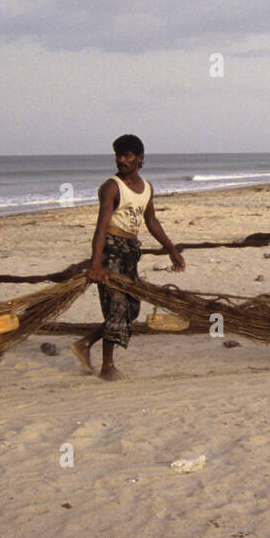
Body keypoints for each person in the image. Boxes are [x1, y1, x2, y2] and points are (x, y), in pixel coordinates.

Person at [73, 134, 186, 379]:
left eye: (127, 156)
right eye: (118, 155)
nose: (121, 160)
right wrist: (95, 265)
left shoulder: (146, 188)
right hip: (111, 251)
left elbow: (151, 220)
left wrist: (172, 250)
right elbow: (101, 227)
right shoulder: (112, 187)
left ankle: (85, 343)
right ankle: (107, 367)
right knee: (116, 310)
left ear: (140, 158)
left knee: (130, 311)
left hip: (130, 252)